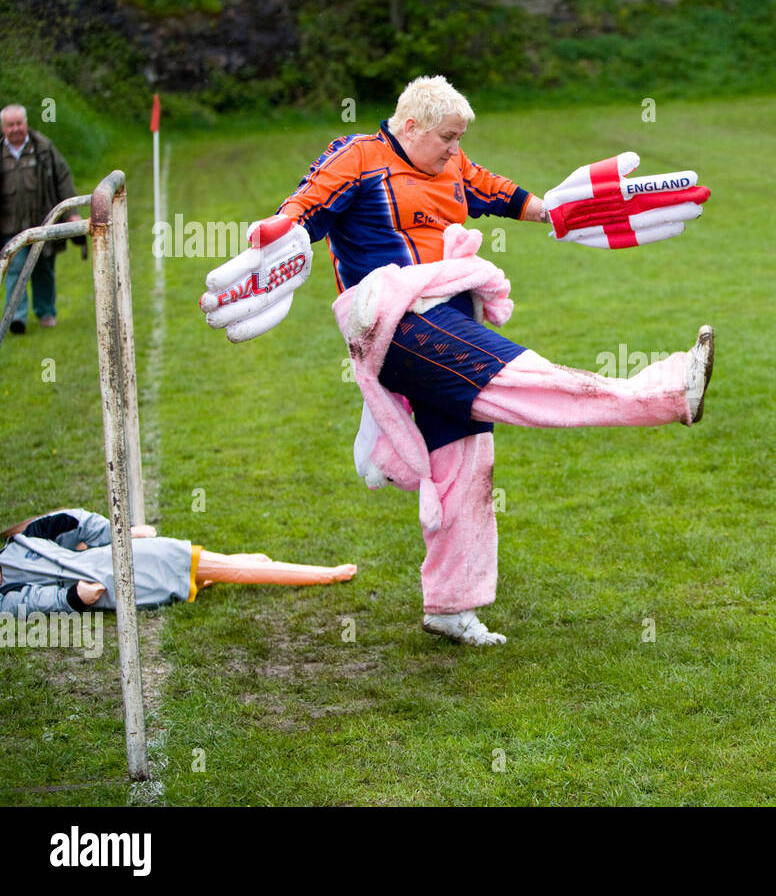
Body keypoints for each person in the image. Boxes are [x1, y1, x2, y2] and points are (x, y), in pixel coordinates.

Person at [255, 74, 714, 646]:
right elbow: (303, 209)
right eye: (447, 137)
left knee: (467, 466)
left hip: (450, 315)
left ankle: (451, 606)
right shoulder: (358, 157)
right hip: (402, 322)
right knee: (524, 380)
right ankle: (668, 392)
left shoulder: (450, 162)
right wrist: (273, 243)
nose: (454, 149)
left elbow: (493, 190)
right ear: (413, 125)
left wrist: (561, 213)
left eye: (459, 139)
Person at [0, 508, 355, 616]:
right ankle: (325, 575)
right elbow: (26, 603)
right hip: (122, 584)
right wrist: (72, 598)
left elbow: (70, 521)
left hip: (138, 558)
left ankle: (325, 575)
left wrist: (118, 533)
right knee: (229, 570)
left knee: (237, 570)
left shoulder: (17, 545)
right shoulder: (5, 591)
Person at [1, 104, 79, 333]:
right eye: (10, 125)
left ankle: (46, 312)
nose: (15, 129)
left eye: (19, 123)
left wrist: (72, 213)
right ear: (3, 127)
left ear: (26, 123)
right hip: (10, 225)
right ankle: (16, 317)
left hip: (42, 221)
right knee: (15, 268)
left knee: (44, 267)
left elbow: (63, 177)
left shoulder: (43, 147)